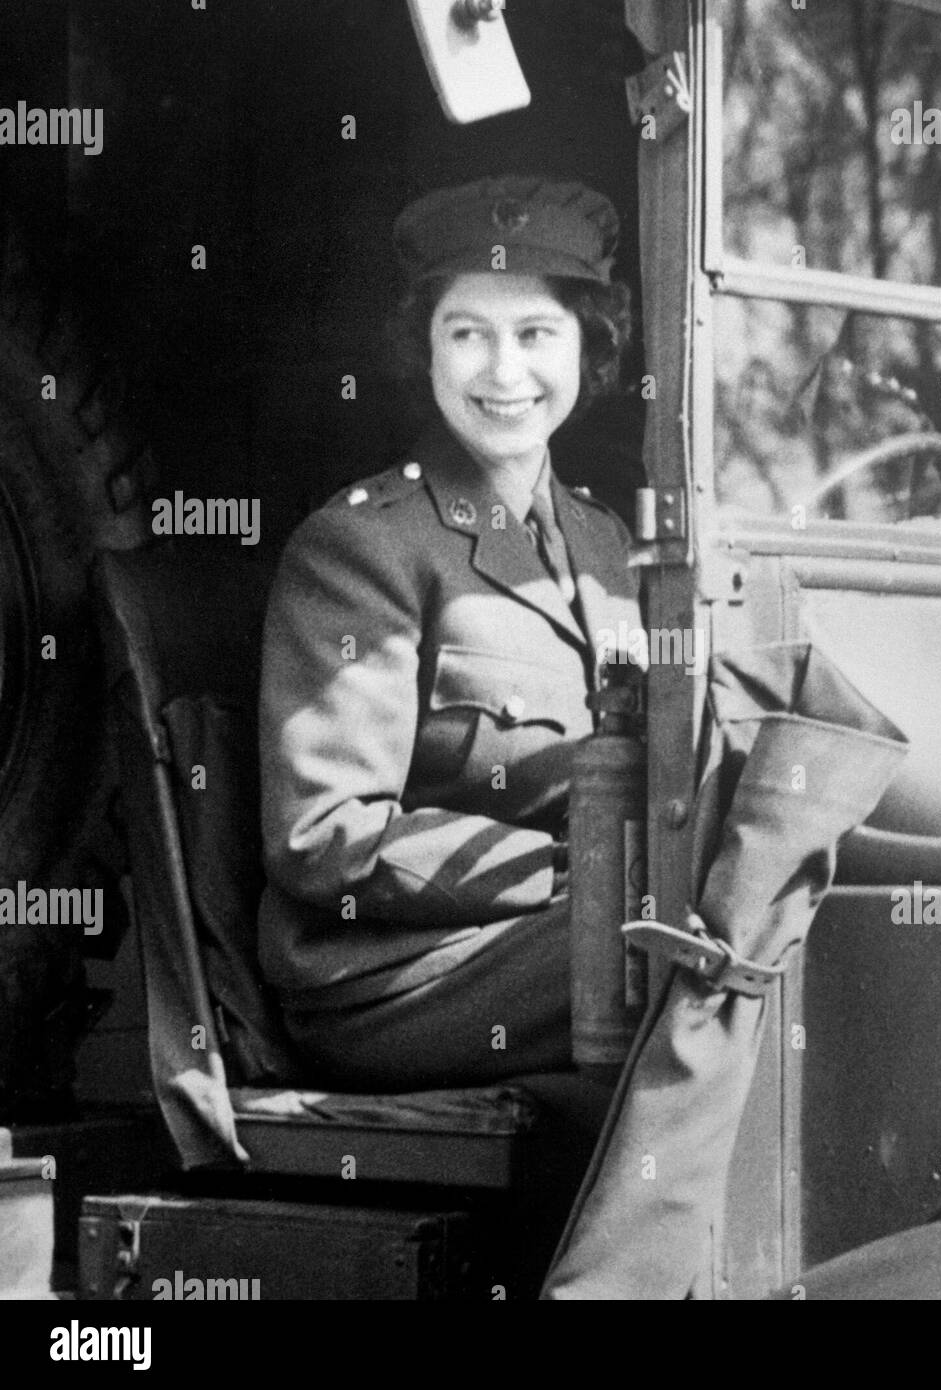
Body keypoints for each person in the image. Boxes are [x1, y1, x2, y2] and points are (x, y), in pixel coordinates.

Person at [255, 175, 641, 1091]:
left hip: (552, 936)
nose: (504, 373)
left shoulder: (606, 542)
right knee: (690, 950)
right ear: (423, 350)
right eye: (468, 334)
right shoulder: (363, 544)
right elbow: (324, 835)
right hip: (398, 978)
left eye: (536, 334)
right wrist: (566, 871)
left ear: (590, 348)